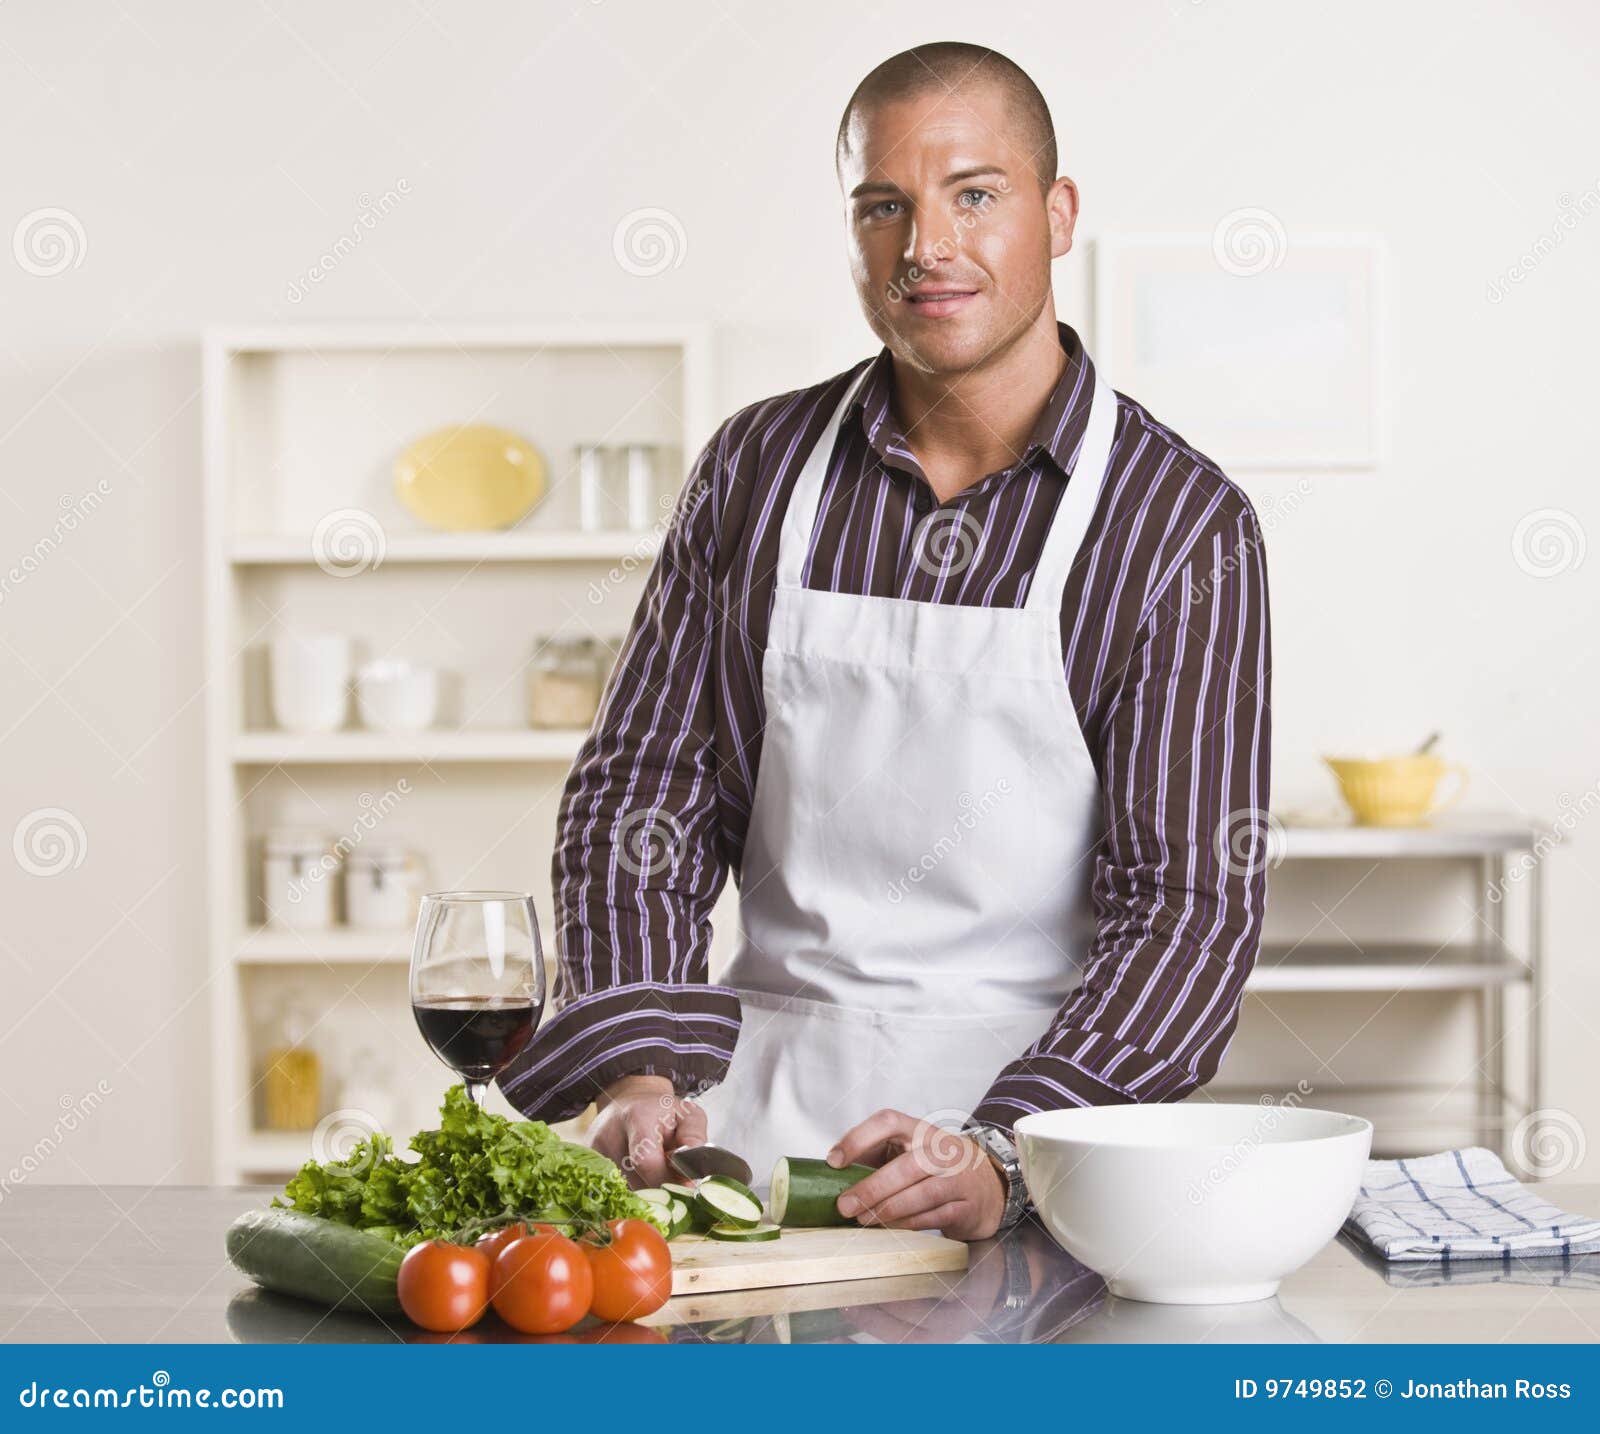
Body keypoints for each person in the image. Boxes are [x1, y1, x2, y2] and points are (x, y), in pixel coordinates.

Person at [500, 41, 1272, 1241]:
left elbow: (1185, 908)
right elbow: (644, 788)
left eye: (975, 195)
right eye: (883, 207)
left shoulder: (1177, 526)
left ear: (1056, 215)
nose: (927, 246)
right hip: (736, 1153)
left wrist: (1008, 1154)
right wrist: (641, 1067)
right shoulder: (755, 469)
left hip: (1028, 1176)